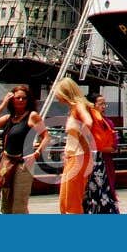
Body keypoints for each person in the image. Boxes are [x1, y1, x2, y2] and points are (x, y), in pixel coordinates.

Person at [0, 85, 42, 214]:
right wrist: (3, 103)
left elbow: (46, 137)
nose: (21, 100)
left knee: (19, 205)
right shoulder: (10, 117)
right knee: (6, 204)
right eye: (17, 98)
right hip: (7, 164)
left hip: (23, 165)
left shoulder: (32, 116)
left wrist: (37, 153)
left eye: (24, 98)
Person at [49, 77, 96, 214]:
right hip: (73, 157)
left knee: (71, 201)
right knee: (65, 200)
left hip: (78, 156)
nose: (56, 97)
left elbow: (88, 122)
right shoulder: (74, 108)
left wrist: (81, 140)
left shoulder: (78, 106)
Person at [85, 91, 121, 214]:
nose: (104, 106)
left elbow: (114, 146)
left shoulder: (108, 123)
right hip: (89, 163)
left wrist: (97, 147)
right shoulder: (88, 123)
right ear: (92, 105)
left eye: (105, 104)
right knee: (89, 193)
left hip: (105, 162)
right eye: (101, 104)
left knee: (107, 192)